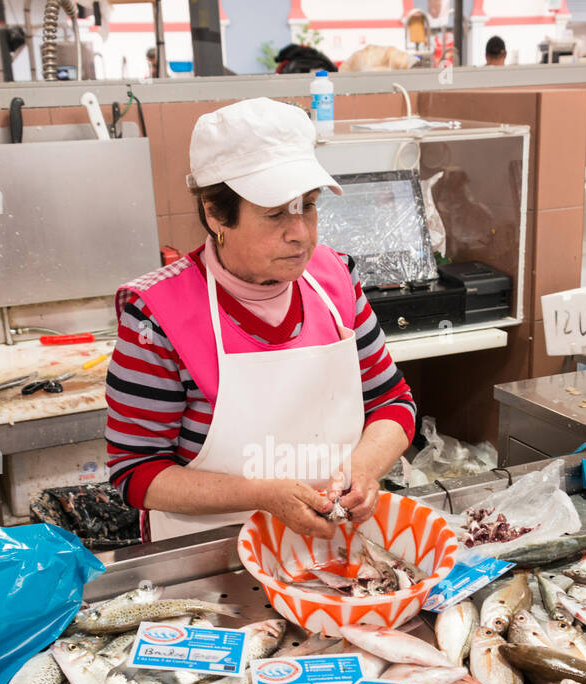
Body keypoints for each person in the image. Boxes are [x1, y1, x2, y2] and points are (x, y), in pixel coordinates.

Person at [105, 97, 417, 542]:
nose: (302, 234)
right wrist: (262, 495)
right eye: (275, 214)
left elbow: (393, 402)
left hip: (335, 546)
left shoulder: (336, 278)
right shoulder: (157, 315)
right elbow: (136, 472)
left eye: (307, 206)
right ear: (216, 214)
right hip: (209, 555)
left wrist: (364, 470)